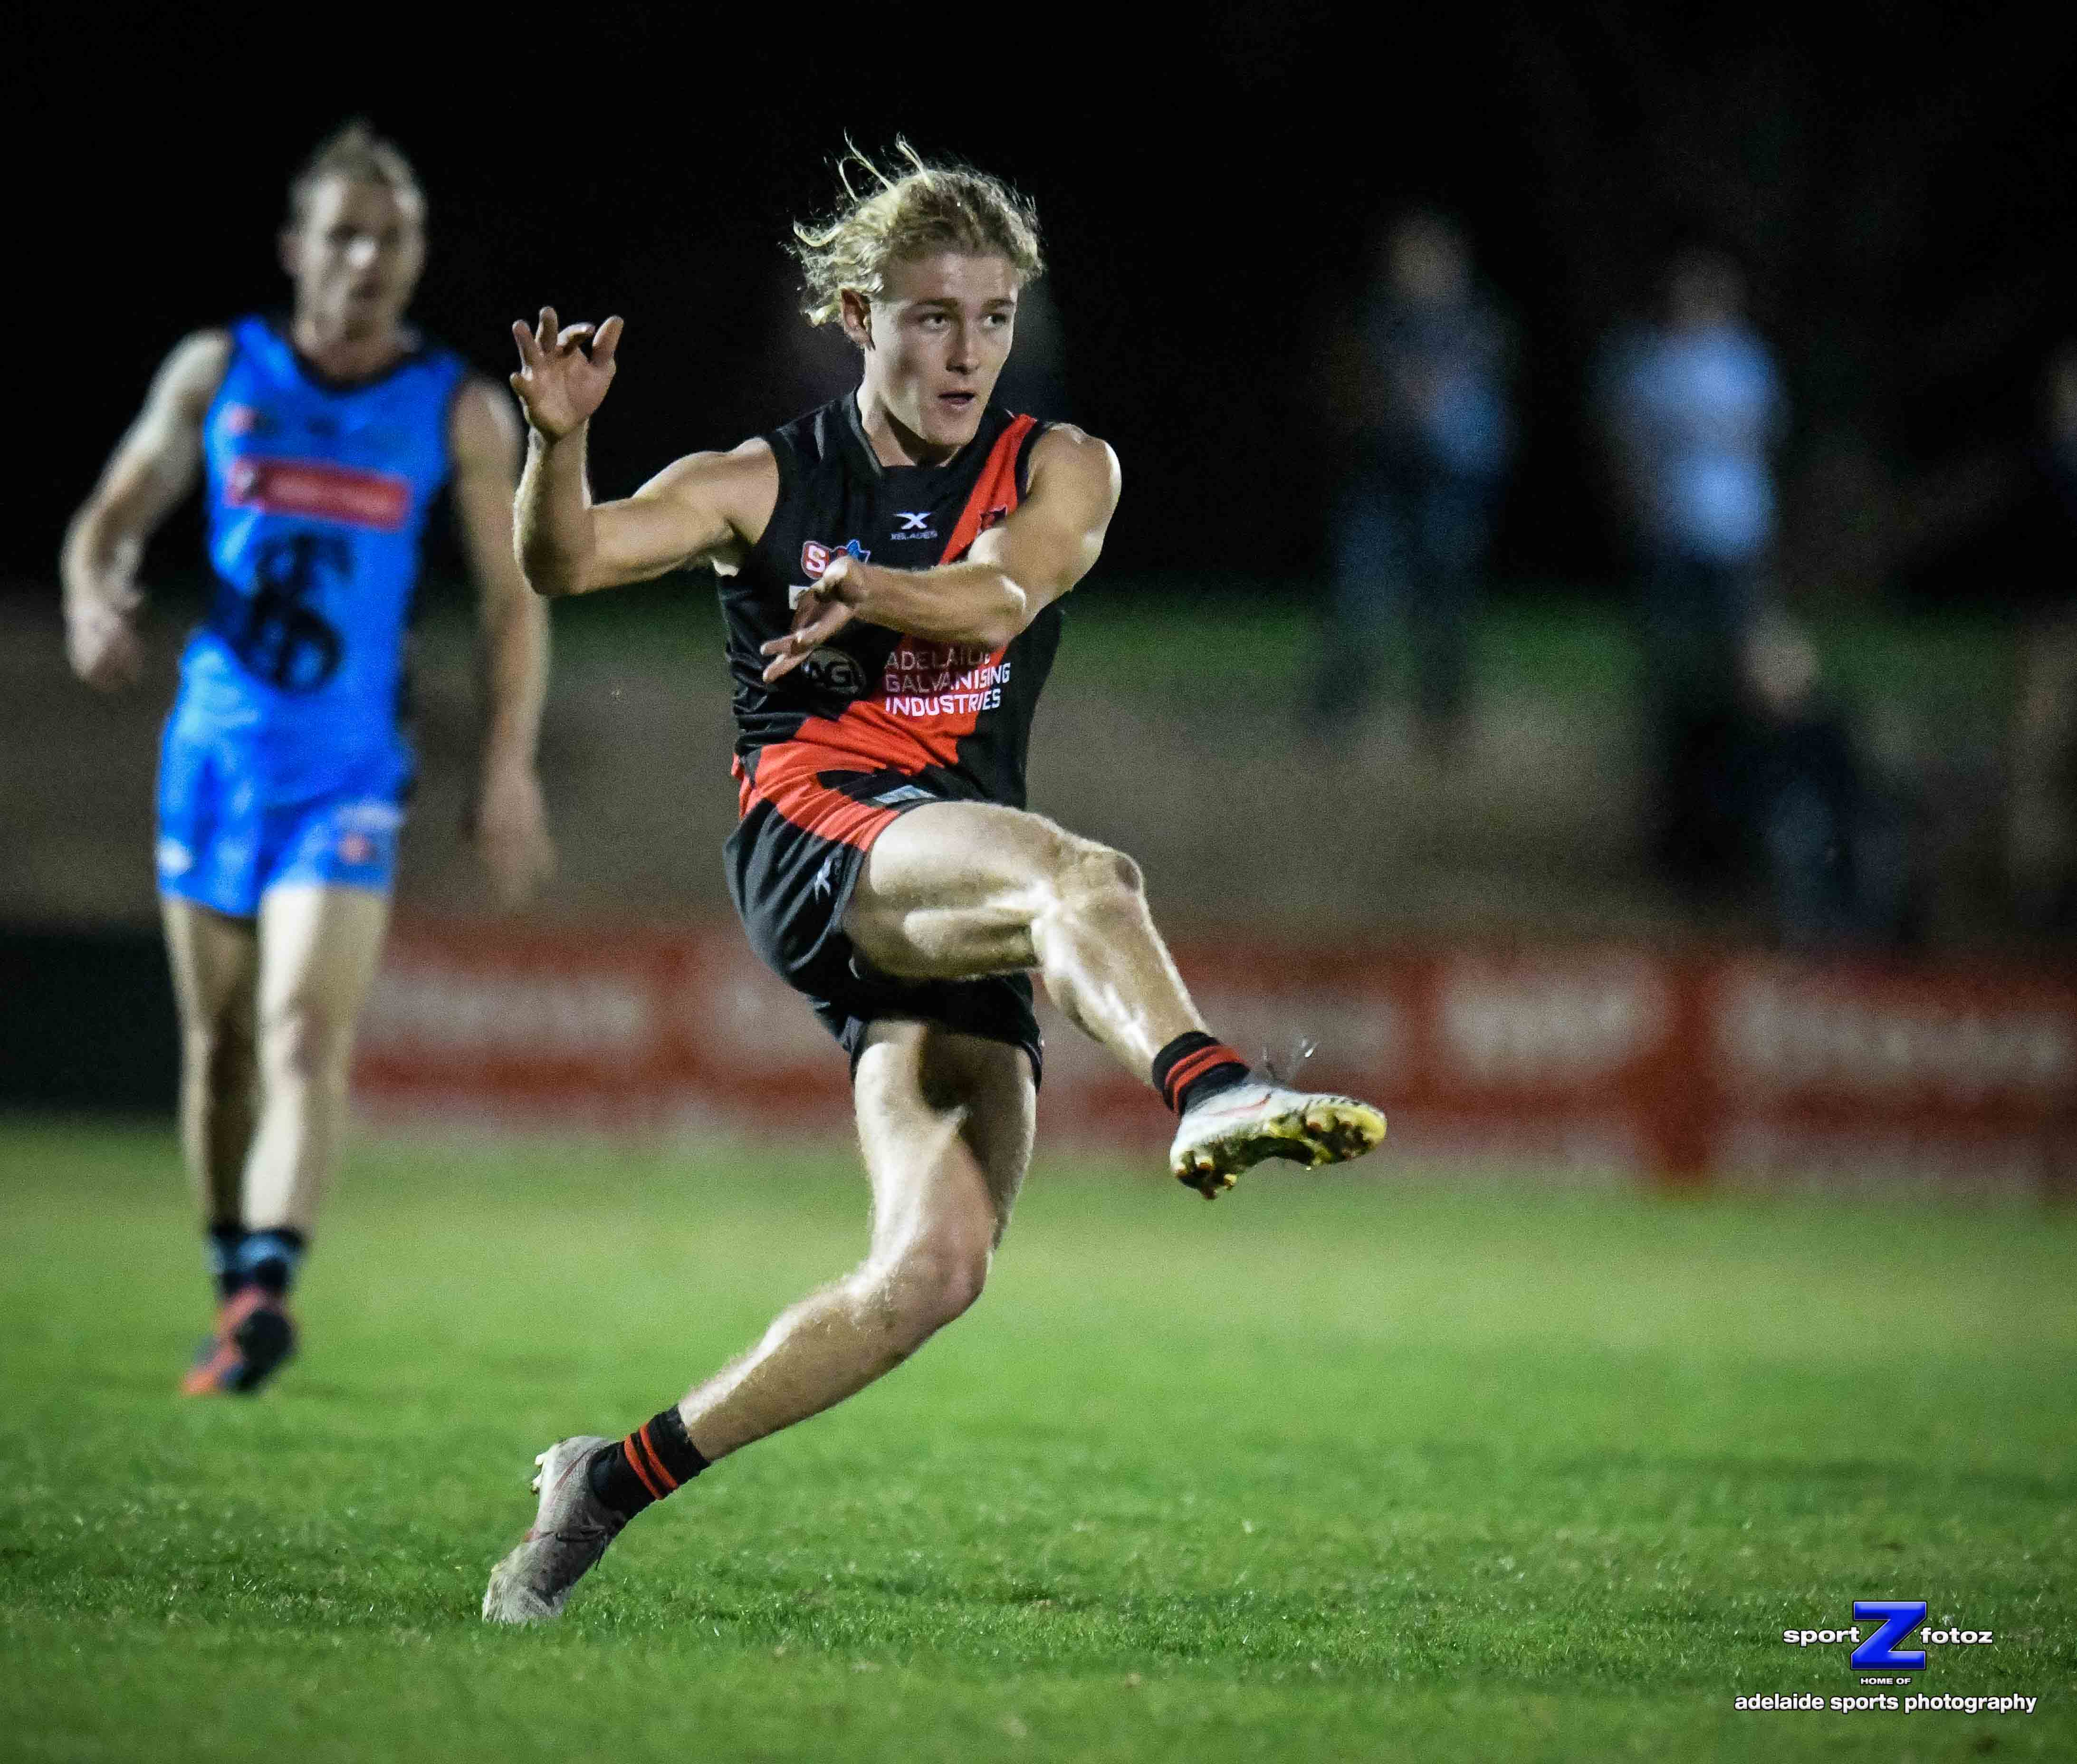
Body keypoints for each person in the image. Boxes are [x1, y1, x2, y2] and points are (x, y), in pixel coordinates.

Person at [481, 146, 1387, 1624]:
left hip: (951, 876)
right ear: (856, 315)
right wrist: (557, 444)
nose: (965, 351)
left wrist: (872, 591)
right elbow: (564, 560)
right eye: (928, 317)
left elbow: (1002, 596)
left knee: (932, 1271)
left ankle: (606, 1481)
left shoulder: (1060, 465)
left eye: (989, 316)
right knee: (1078, 871)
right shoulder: (762, 481)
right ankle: (1208, 1084)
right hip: (817, 831)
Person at [59, 122, 554, 1396]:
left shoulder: (454, 408)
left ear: (418, 257)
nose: (370, 257)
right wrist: (94, 595)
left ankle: (270, 1285)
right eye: (345, 233)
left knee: (294, 1033)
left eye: (394, 236)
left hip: (349, 774)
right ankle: (234, 1288)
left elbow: (515, 601)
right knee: (220, 1048)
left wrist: (505, 768)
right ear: (296, 249)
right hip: (213, 761)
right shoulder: (220, 372)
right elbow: (107, 522)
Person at [1599, 249, 1785, 891]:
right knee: (1669, 683)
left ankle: (1736, 826)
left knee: (1743, 678)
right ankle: (1668, 825)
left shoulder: (1746, 361)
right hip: (1669, 541)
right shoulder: (1645, 361)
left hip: (1734, 536)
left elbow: (1757, 437)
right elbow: (1625, 444)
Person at [1310, 211, 1513, 755]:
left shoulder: (1478, 330)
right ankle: (1336, 722)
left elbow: (1493, 416)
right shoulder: (1375, 327)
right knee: (1360, 599)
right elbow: (1344, 399)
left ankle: (1444, 724)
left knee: (1444, 608)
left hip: (1448, 487)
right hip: (1381, 482)